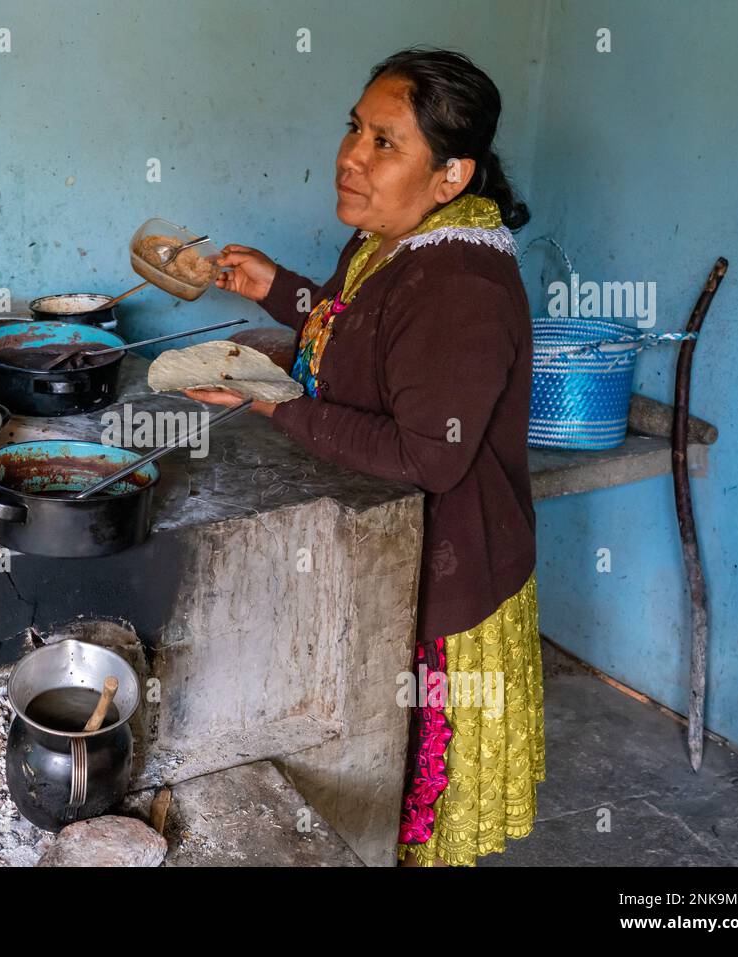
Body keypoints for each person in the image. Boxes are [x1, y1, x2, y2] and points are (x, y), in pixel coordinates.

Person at [194, 48, 542, 867]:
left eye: (385, 142)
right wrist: (278, 289)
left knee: (411, 821)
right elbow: (356, 321)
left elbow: (428, 456)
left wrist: (274, 400)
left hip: (448, 590)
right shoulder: (395, 239)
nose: (351, 154)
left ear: (451, 174)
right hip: (397, 556)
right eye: (355, 128)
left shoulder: (460, 283)